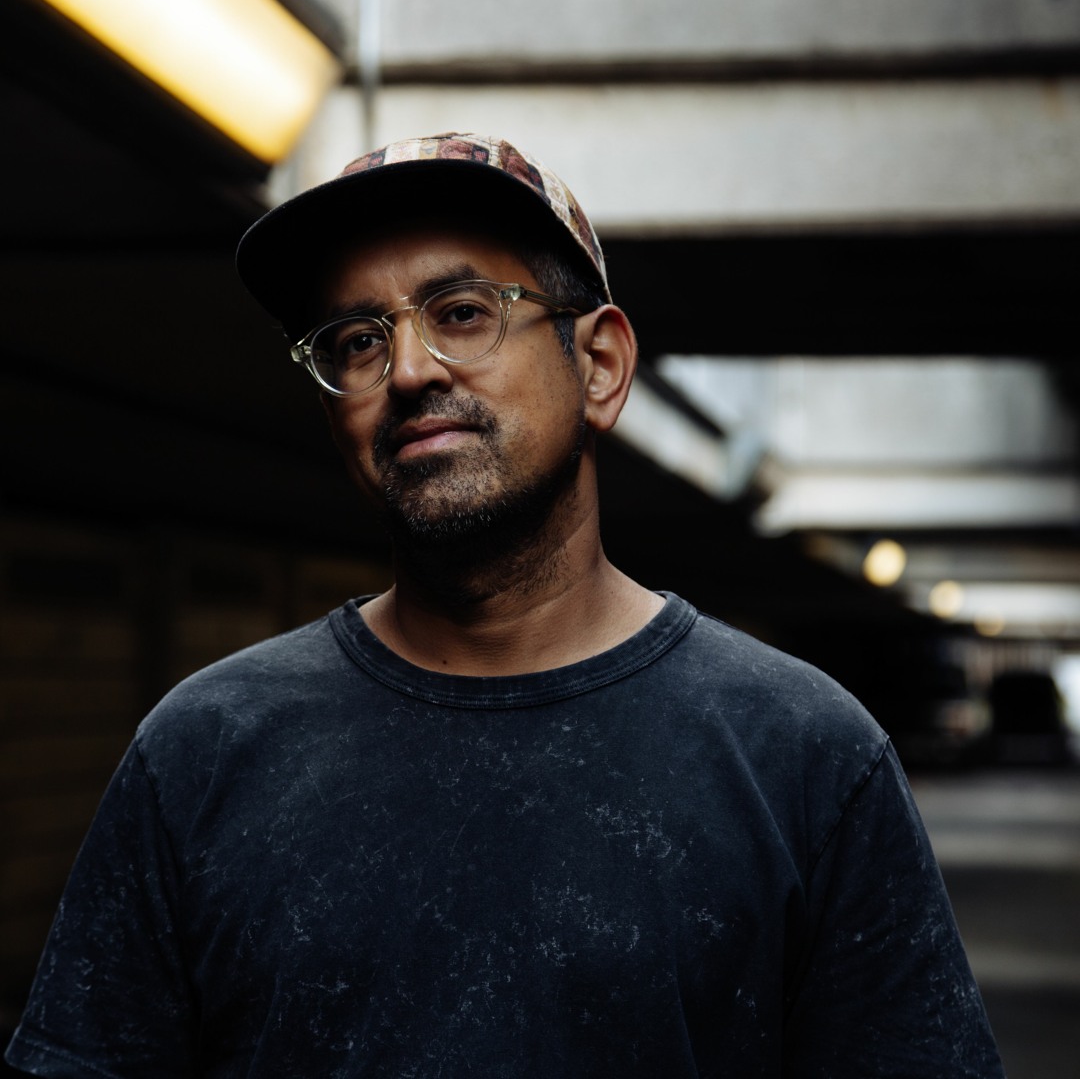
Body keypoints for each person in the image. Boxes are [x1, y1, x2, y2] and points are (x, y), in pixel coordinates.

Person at [5, 132, 1004, 1078]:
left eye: (462, 312)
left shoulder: (805, 756)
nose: (406, 371)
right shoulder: (203, 749)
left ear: (599, 366)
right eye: (356, 340)